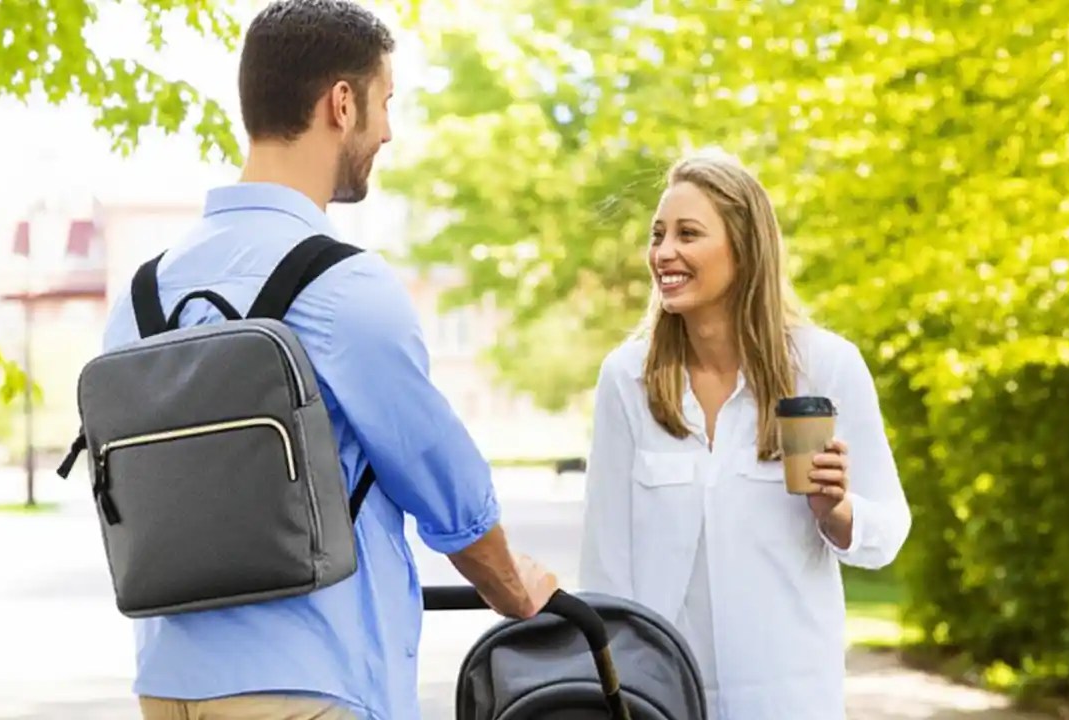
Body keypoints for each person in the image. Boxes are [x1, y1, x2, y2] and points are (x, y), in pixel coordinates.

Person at [99, 2, 559, 718]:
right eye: (385, 103)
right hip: (306, 684)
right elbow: (442, 481)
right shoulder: (342, 288)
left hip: (168, 684)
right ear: (341, 103)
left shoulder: (143, 294)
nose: (388, 130)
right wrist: (511, 585)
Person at [577, 149, 912, 719]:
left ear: (744, 247)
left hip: (788, 697)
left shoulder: (826, 367)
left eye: (688, 234)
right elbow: (606, 565)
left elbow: (888, 533)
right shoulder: (627, 379)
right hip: (662, 697)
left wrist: (836, 512)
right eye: (658, 235)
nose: (664, 253)